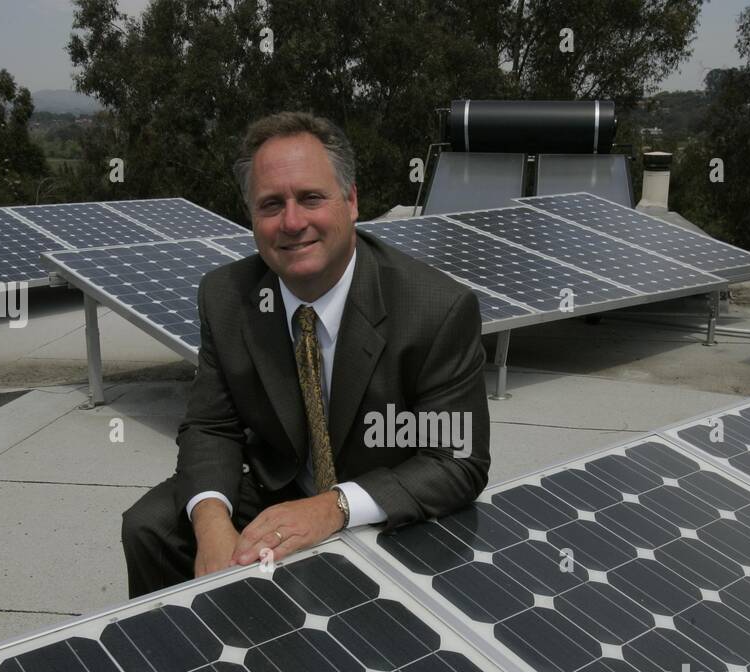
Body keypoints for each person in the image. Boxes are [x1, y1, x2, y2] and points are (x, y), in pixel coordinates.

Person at [120, 111, 490, 599]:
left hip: (385, 499)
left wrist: (333, 507)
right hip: (280, 488)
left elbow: (456, 460)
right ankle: (200, 663)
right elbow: (212, 425)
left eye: (311, 198)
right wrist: (212, 526)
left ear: (351, 201)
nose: (292, 222)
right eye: (271, 205)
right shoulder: (227, 296)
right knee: (150, 527)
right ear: (251, 217)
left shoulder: (435, 308)